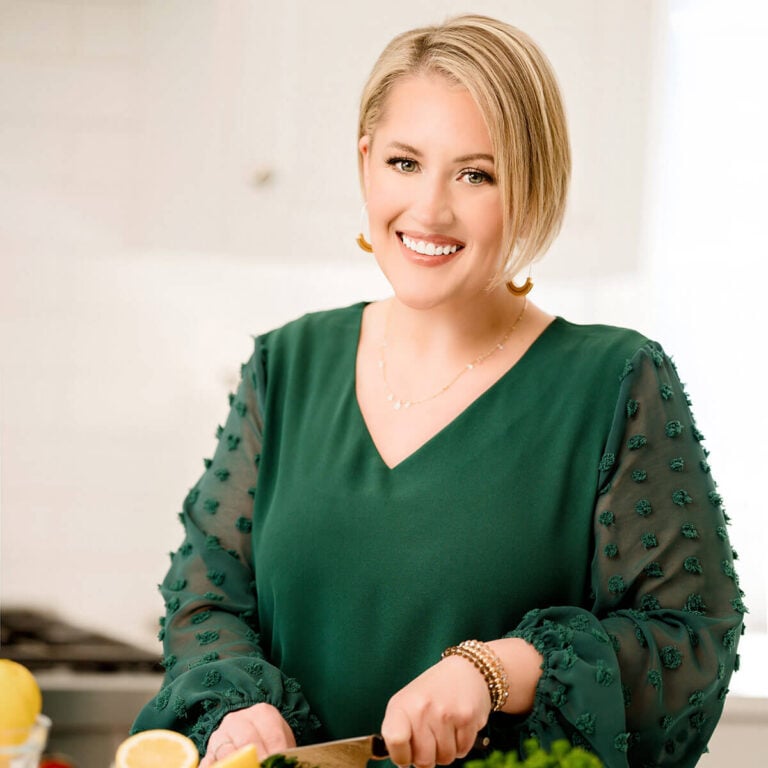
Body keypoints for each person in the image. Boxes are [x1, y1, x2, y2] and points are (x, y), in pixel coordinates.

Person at [131, 14, 745, 768]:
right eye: (403, 162)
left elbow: (689, 642)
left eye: (475, 173)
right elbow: (207, 598)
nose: (429, 210)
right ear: (365, 164)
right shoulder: (285, 365)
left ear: (532, 184)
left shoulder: (615, 381)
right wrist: (240, 710)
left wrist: (498, 670)